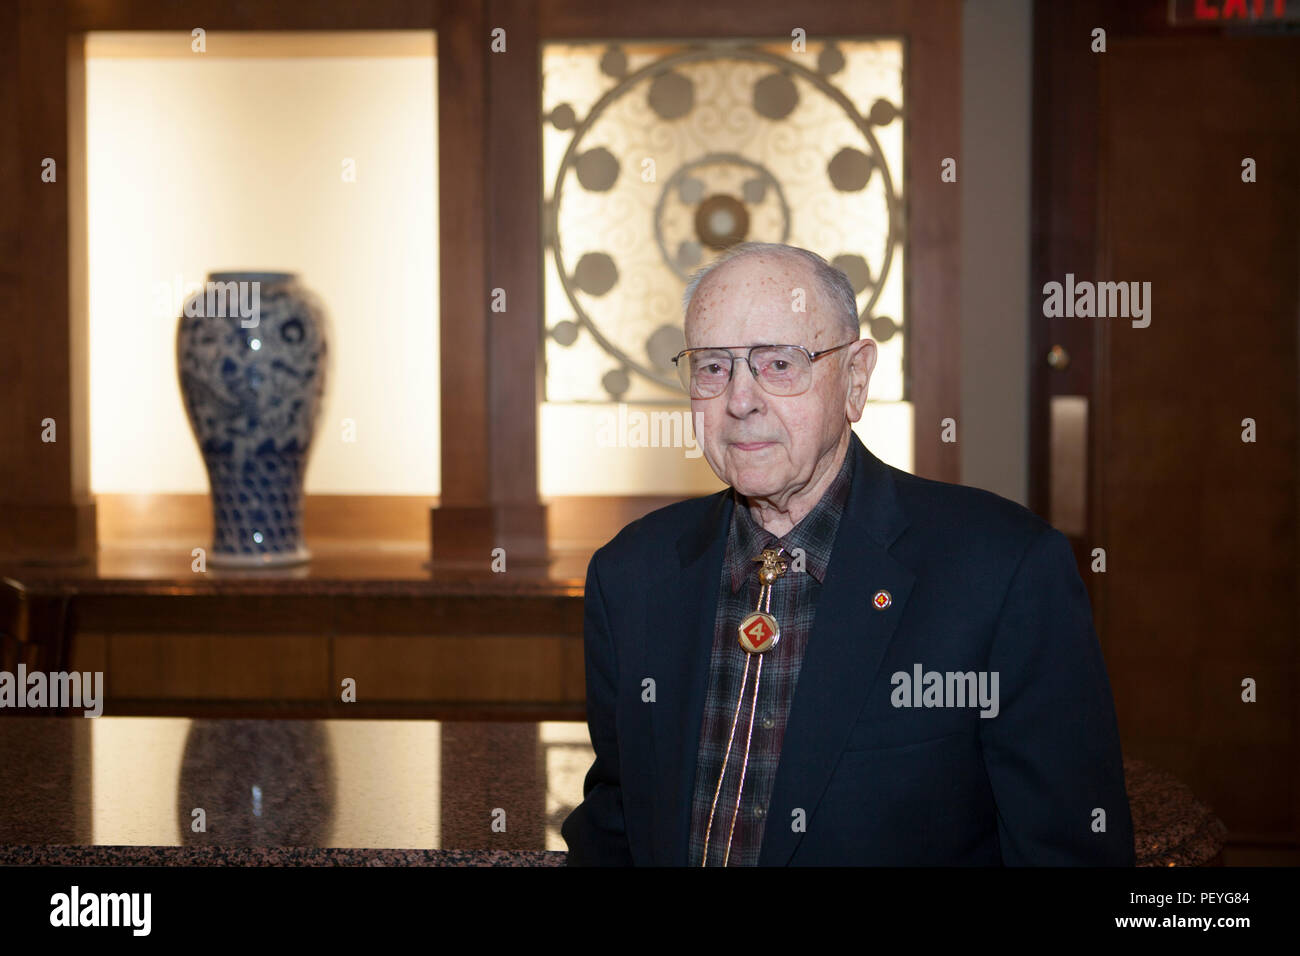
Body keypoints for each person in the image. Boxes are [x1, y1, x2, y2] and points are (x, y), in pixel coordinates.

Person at [561, 241, 1134, 866]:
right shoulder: (631, 576)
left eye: (779, 364)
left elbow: (1071, 854)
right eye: (713, 367)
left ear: (855, 380)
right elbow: (616, 826)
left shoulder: (1002, 573)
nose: (740, 400)